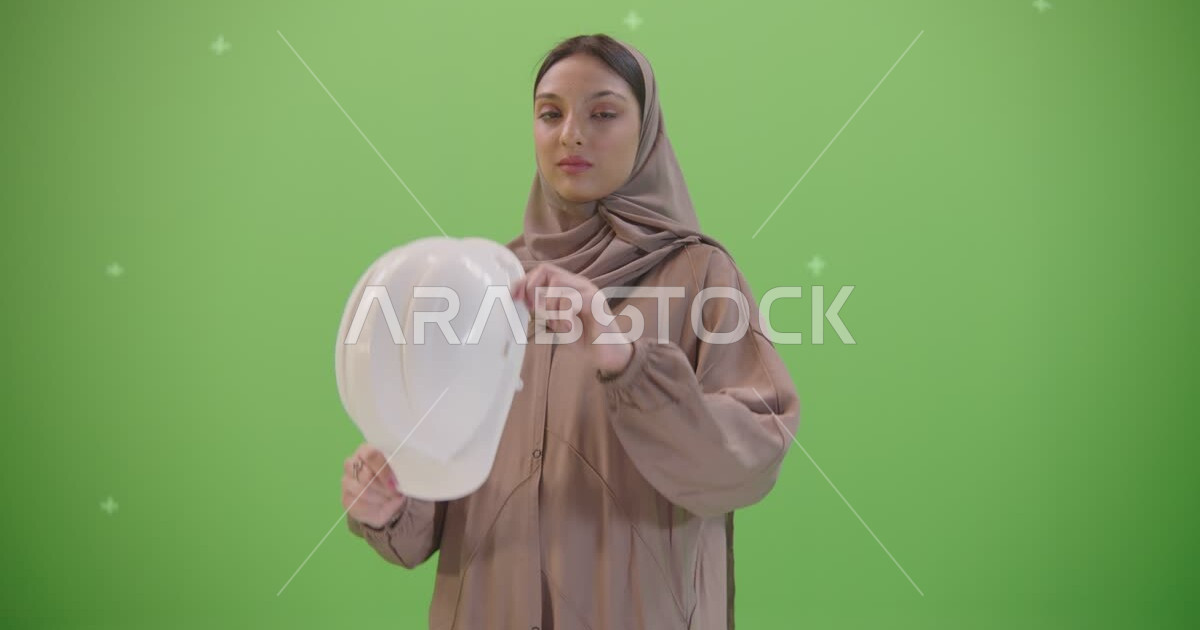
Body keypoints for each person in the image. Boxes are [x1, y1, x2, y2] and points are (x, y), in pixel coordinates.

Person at [343, 33, 801, 630]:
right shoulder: (486, 280)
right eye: (550, 113)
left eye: (603, 113)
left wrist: (624, 357)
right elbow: (446, 492)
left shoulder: (700, 276)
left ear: (646, 130)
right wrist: (392, 504)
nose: (571, 135)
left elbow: (749, 459)